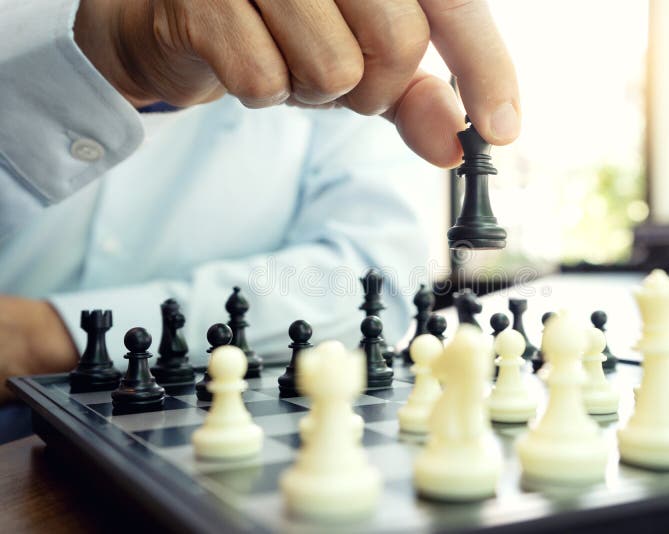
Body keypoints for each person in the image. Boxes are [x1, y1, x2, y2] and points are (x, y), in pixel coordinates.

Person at [0, 0, 521, 414]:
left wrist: (32, 338)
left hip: (191, 423)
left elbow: (367, 287)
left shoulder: (360, 57)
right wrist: (100, 61)